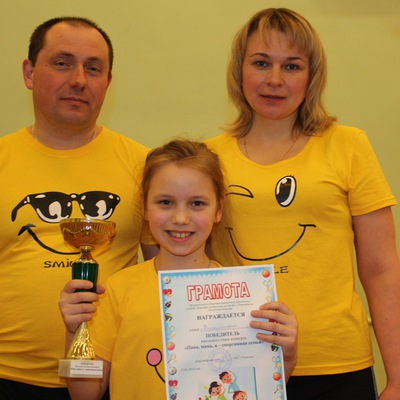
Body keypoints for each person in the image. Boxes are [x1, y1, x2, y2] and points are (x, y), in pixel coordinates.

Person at [206, 7, 400, 400]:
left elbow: (381, 270)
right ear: (239, 70)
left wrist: (397, 379)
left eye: (292, 66)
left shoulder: (349, 145)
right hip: (241, 366)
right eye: (261, 63)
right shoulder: (208, 158)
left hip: (338, 365)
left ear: (311, 76)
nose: (275, 80)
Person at [58, 139, 298, 399]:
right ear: (144, 207)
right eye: (165, 202)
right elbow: (84, 395)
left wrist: (286, 357)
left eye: (197, 204)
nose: (181, 218)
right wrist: (75, 330)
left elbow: (258, 390)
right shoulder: (117, 290)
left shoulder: (247, 297)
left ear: (218, 210)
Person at [0, 17, 157, 400]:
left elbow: (164, 273)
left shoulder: (145, 167)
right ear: (29, 72)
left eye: (93, 68)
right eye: (62, 63)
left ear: (108, 81)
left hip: (106, 378)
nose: (79, 80)